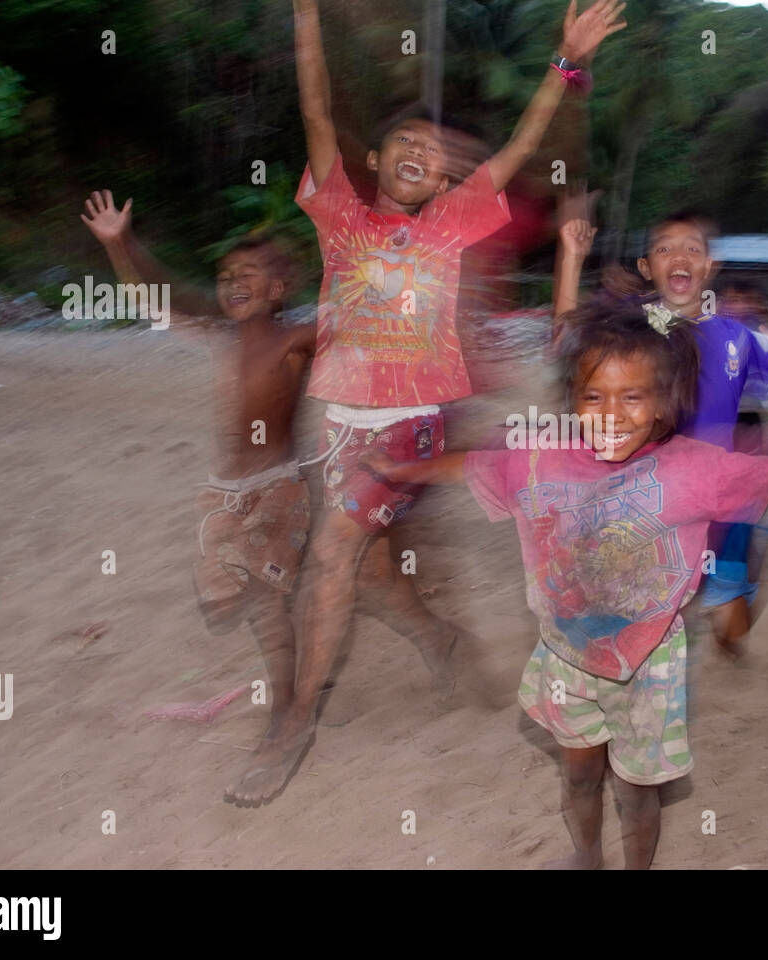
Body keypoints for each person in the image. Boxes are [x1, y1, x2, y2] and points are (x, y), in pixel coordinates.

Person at [365, 297, 768, 868]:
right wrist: (403, 469)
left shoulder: (695, 468)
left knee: (636, 791)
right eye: (593, 396)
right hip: (566, 657)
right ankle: (586, 855)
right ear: (573, 400)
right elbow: (471, 465)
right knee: (578, 777)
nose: (612, 414)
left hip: (649, 666)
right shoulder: (540, 459)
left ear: (662, 404)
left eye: (633, 397)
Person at [260, 0, 630, 805]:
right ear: (374, 161)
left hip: (413, 426)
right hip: (342, 427)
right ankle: (442, 639)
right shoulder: (340, 218)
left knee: (328, 559)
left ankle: (292, 722)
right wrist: (306, 15)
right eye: (405, 143)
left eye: (433, 150)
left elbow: (522, 146)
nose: (422, 152)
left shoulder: (454, 224)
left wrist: (565, 65)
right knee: (368, 571)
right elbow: (314, 106)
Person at [81, 190, 316, 805]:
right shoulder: (220, 333)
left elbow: (359, 335)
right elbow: (162, 292)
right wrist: (120, 244)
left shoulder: (298, 339)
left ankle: (287, 714)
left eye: (249, 274)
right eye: (225, 276)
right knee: (224, 596)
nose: (233, 282)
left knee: (266, 605)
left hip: (279, 489)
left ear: (279, 288)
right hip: (226, 494)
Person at [554, 209, 768, 655]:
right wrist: (572, 259)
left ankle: (741, 568)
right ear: (646, 267)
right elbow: (565, 345)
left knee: (732, 632)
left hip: (719, 501)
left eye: (693, 248)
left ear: (709, 266)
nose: (680, 256)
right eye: (665, 247)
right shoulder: (629, 330)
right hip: (645, 499)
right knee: (635, 616)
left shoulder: (737, 337)